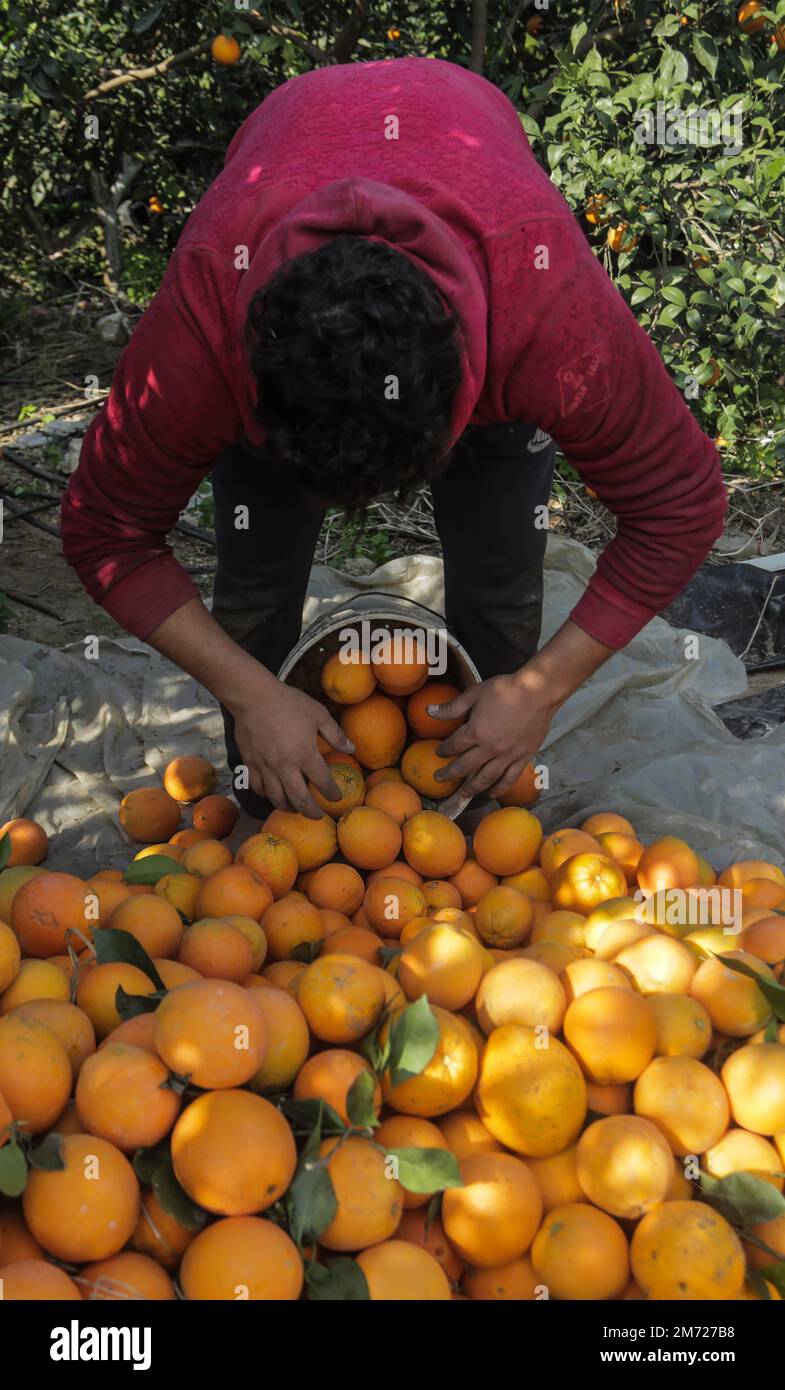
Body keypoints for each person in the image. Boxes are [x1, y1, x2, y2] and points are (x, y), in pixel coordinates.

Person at [62, 57, 726, 820]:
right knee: (255, 579)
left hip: (469, 162)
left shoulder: (546, 318)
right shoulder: (204, 335)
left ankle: (478, 796)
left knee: (500, 566)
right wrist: (247, 691)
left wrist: (540, 689)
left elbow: (680, 507)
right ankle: (273, 802)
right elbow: (105, 531)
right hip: (288, 143)